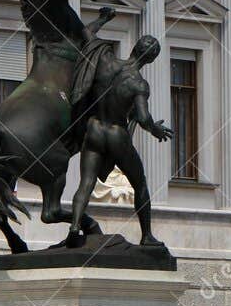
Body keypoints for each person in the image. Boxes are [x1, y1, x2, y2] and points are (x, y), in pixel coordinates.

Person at [66, 33, 172, 249]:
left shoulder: (106, 62)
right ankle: (147, 236)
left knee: (86, 183)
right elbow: (143, 118)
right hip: (116, 135)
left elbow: (86, 38)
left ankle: (75, 227)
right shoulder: (139, 84)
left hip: (94, 128)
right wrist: (155, 129)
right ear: (150, 60)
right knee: (139, 183)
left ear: (134, 48)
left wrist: (102, 20)